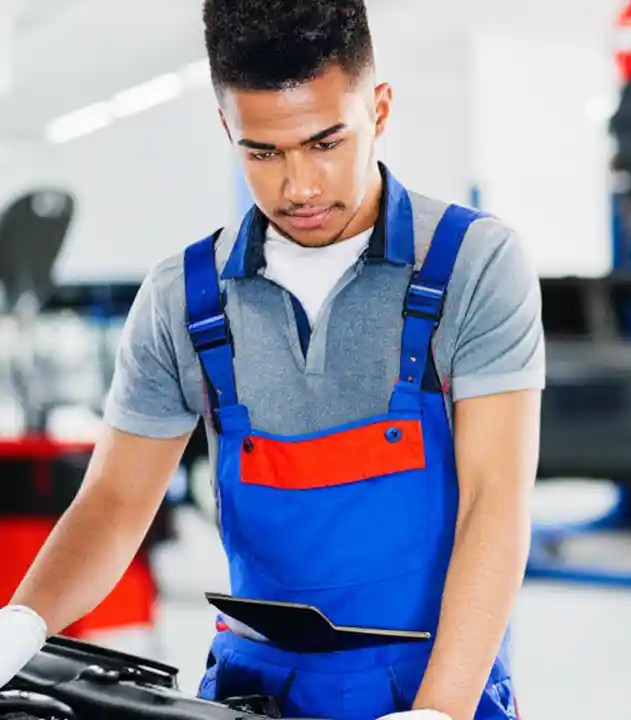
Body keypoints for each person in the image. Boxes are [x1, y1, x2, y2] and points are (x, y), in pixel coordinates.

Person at [0, 1, 544, 718]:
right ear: (228, 128)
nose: (300, 187)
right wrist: (22, 622)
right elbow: (114, 504)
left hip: (433, 679)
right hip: (253, 691)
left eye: (326, 142)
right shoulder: (182, 299)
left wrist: (439, 710)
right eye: (264, 152)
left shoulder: (473, 264)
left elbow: (493, 506)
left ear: (378, 109)